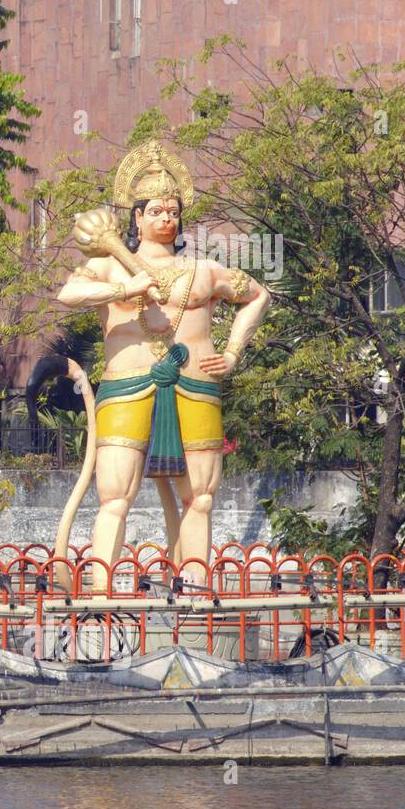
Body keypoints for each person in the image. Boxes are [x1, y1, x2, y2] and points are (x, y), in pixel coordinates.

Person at [56, 141, 271, 585]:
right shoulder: (110, 265)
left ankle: (194, 590)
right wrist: (122, 290)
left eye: (172, 210)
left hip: (195, 382)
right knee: (116, 495)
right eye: (155, 210)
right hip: (126, 382)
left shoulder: (205, 270)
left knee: (201, 496)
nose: (166, 218)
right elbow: (68, 295)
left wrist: (231, 353)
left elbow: (257, 296)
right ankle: (102, 595)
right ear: (136, 217)